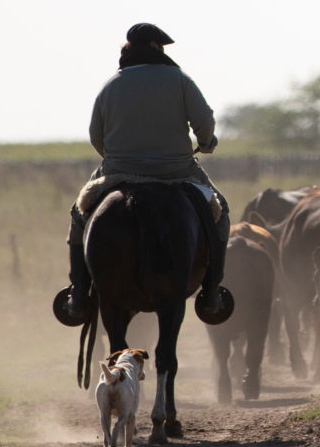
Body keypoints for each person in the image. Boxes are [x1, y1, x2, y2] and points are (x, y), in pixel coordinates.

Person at [62, 23, 230, 321]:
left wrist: (118, 158)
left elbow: (96, 135)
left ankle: (78, 293)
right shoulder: (179, 80)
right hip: (177, 172)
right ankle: (213, 291)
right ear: (154, 47)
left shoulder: (111, 84)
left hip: (118, 172)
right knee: (221, 212)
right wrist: (205, 143)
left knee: (80, 213)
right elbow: (204, 121)